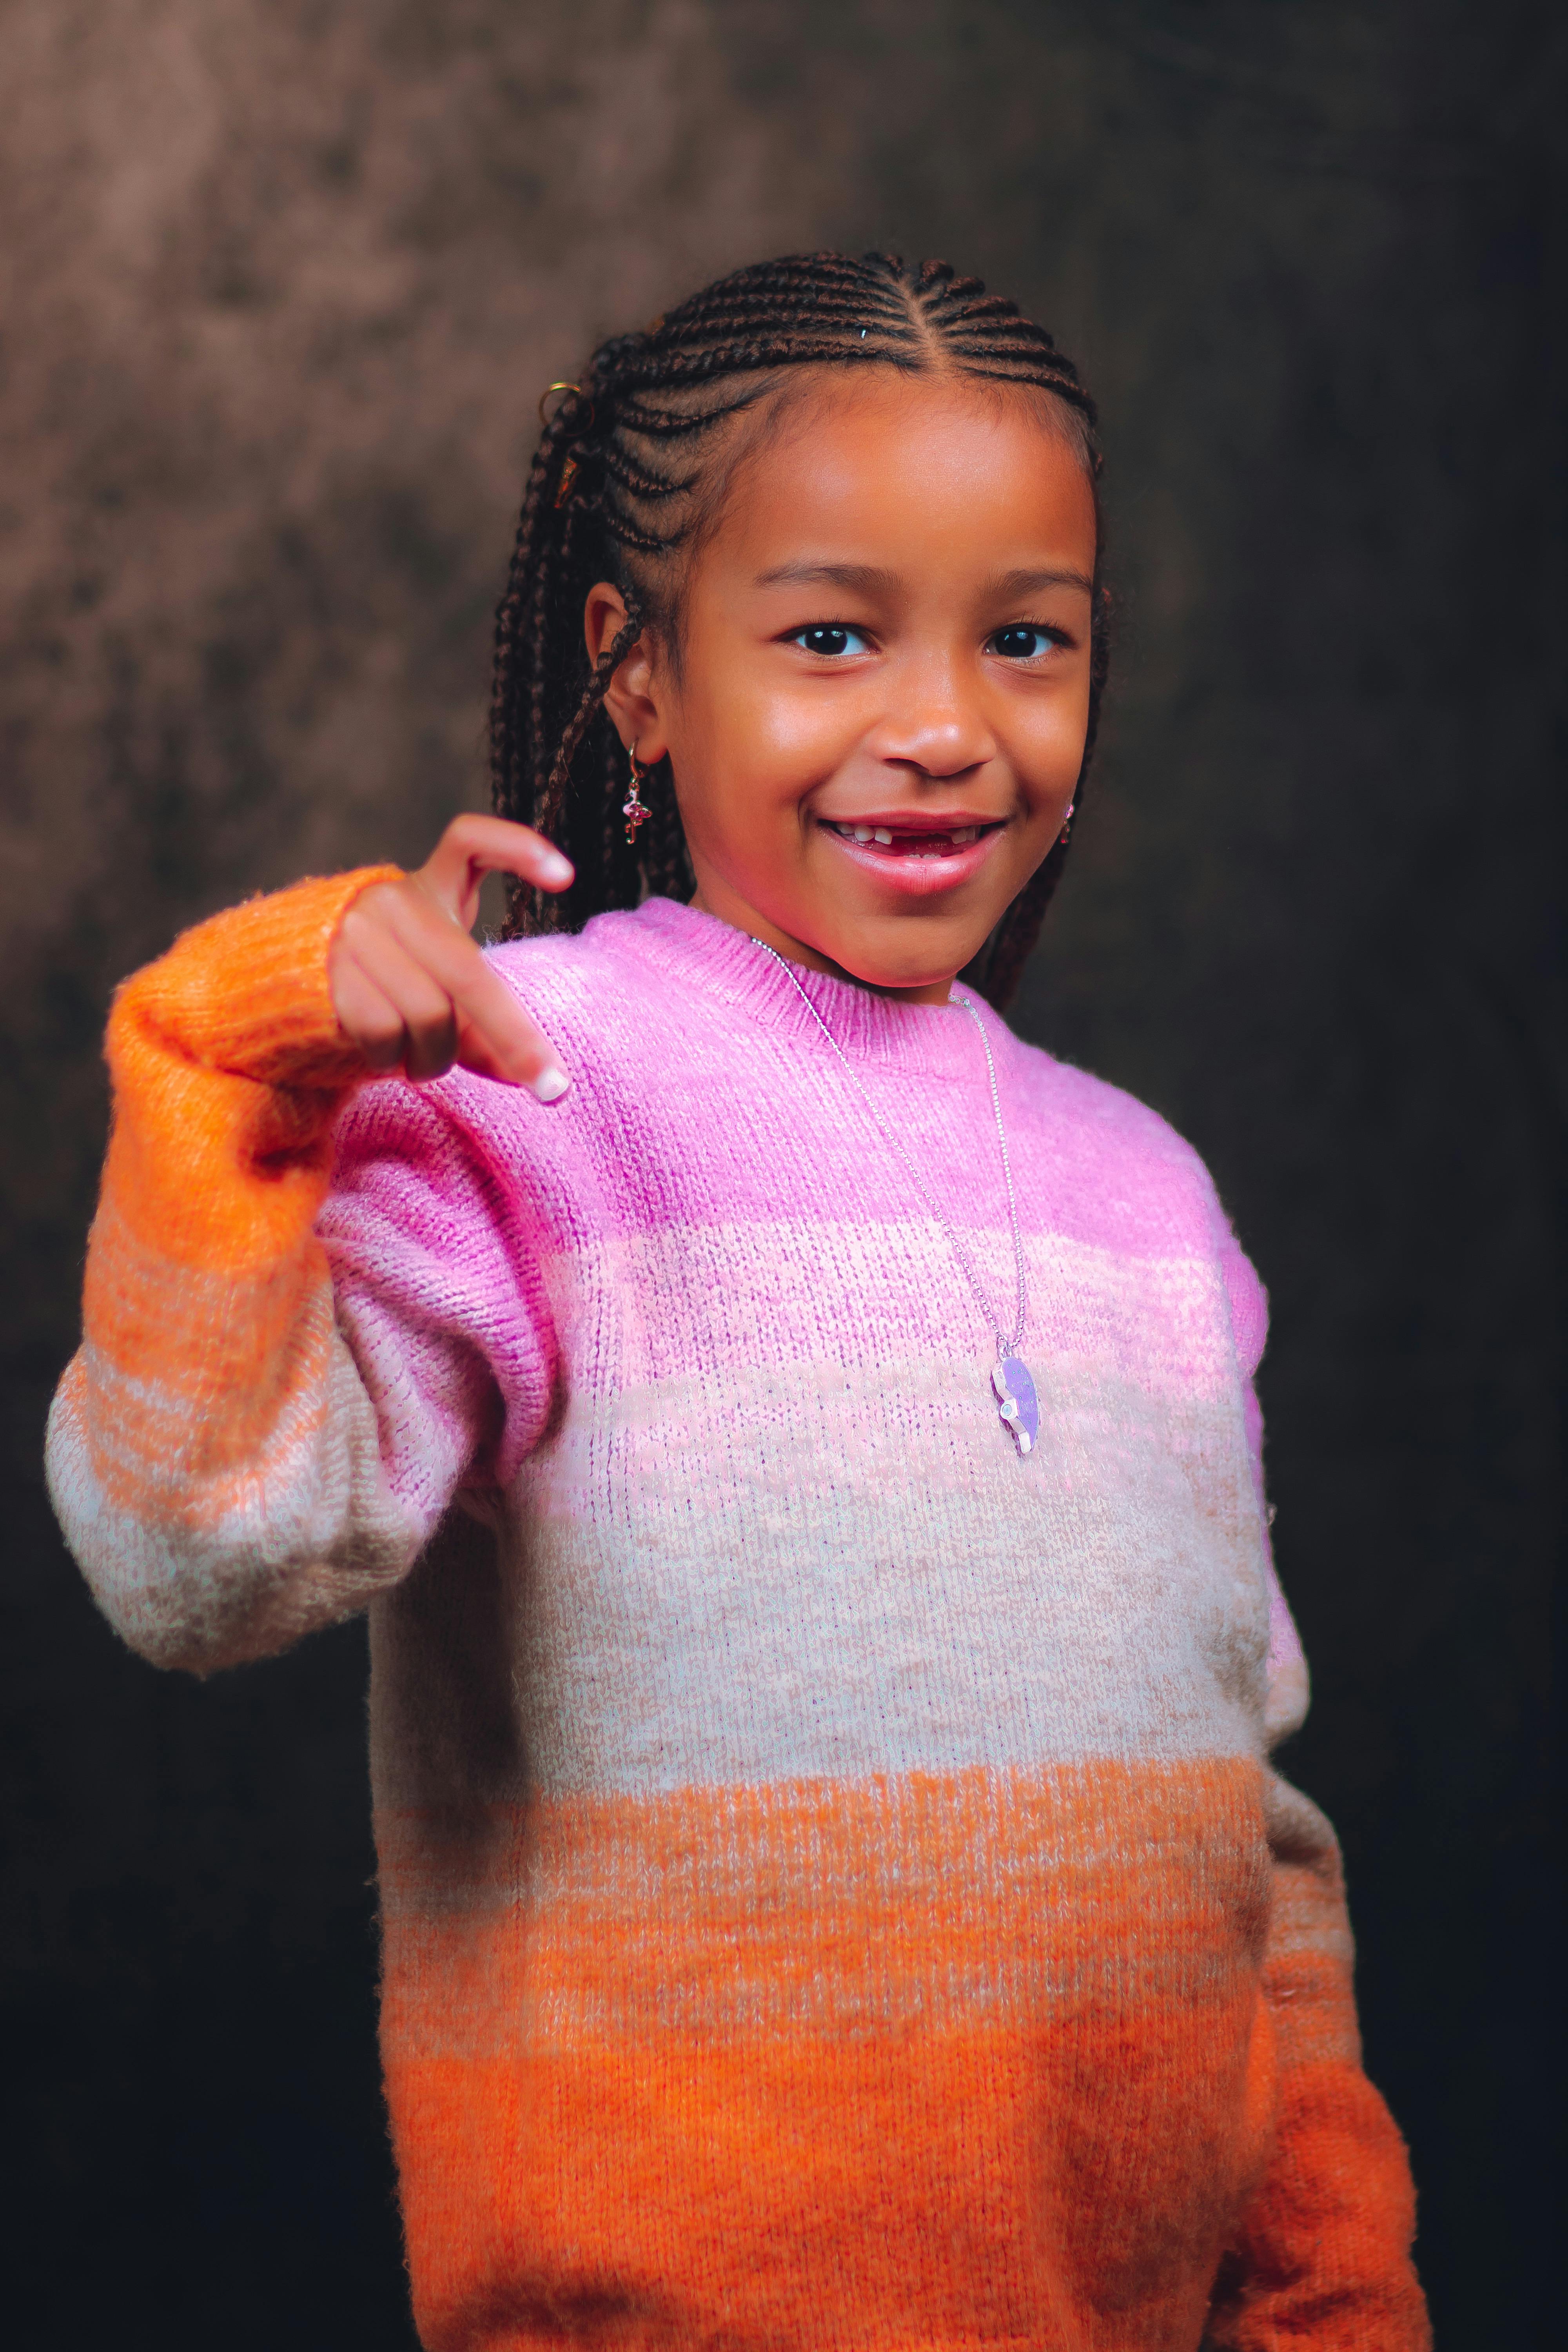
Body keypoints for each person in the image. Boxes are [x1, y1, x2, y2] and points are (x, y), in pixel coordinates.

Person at [45, 251, 1429, 2351]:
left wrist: (1337, 2294)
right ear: (640, 673)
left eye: (1028, 638)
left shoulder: (1150, 1200)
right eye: (832, 634)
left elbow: (1254, 1834)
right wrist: (239, 1056)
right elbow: (193, 1556)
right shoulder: (524, 1097)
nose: (947, 724)